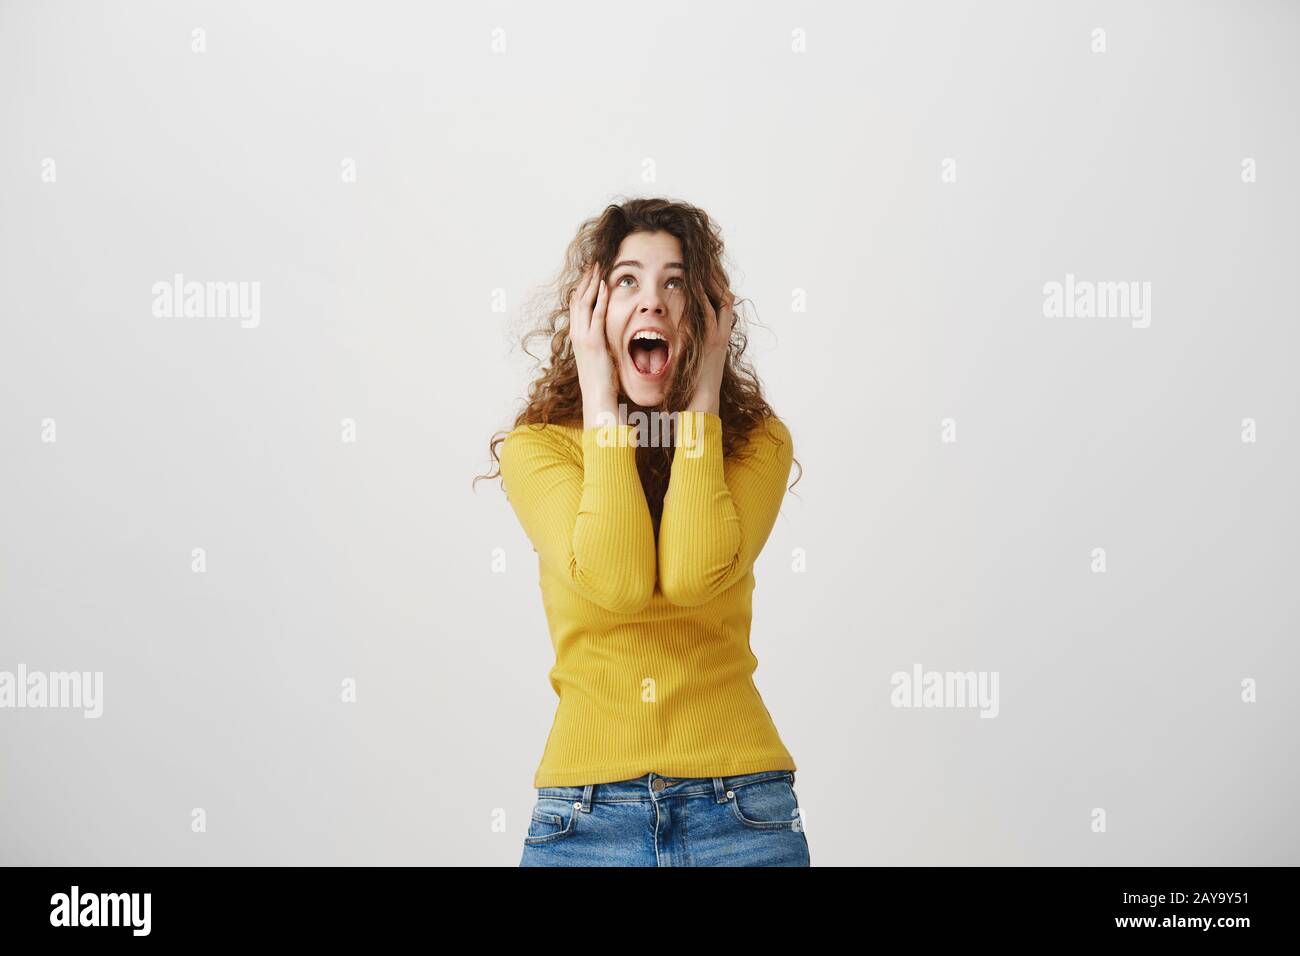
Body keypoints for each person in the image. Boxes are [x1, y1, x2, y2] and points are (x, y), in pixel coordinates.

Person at [480, 197, 807, 866]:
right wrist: (602, 399)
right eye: (627, 280)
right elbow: (619, 582)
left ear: (705, 313)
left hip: (741, 813)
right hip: (584, 821)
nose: (652, 301)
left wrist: (701, 403)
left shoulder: (755, 445)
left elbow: (691, 576)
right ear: (591, 310)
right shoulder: (538, 449)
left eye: (675, 282)